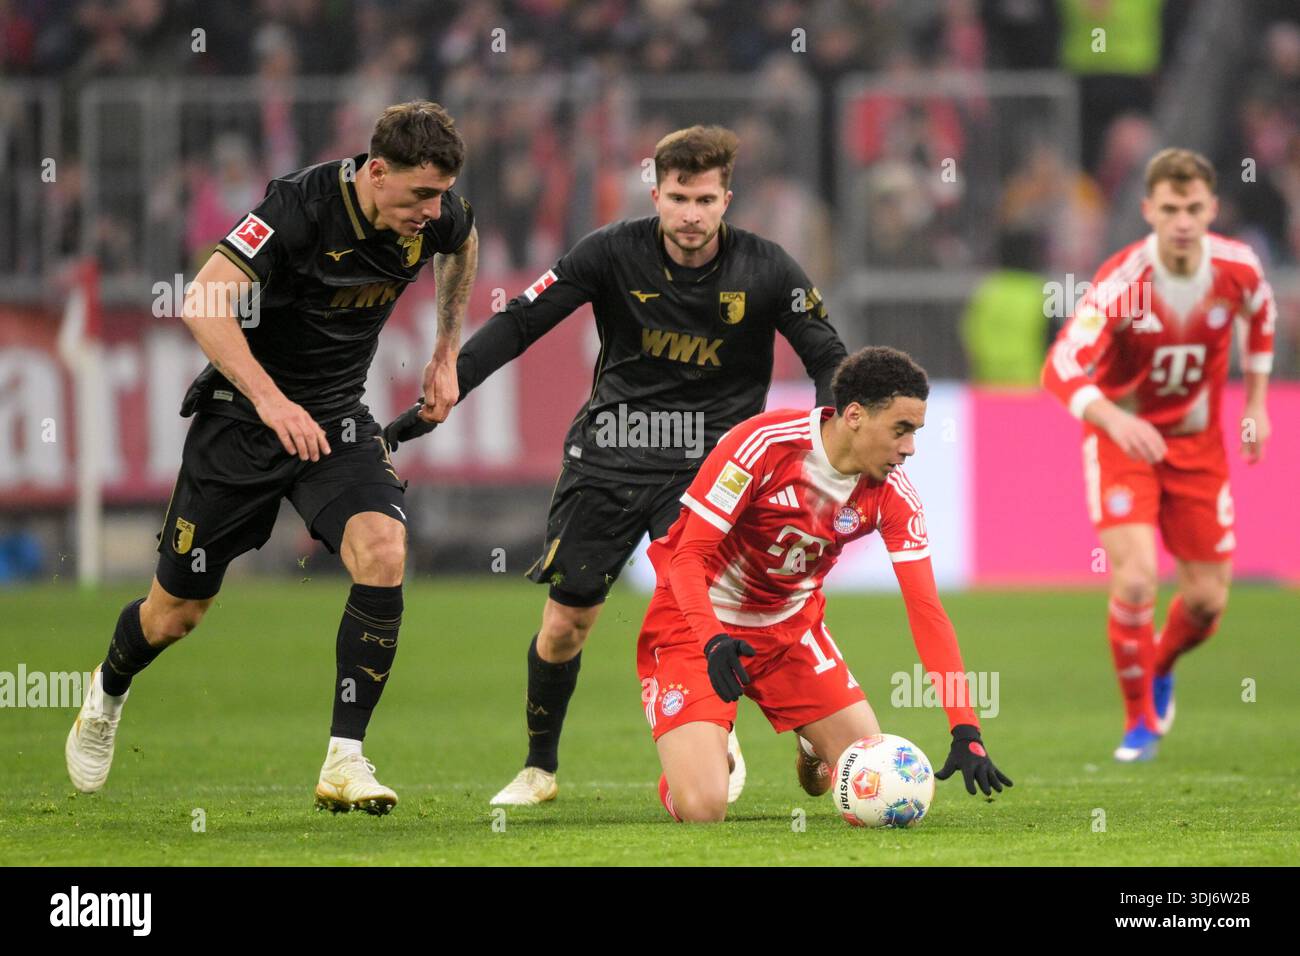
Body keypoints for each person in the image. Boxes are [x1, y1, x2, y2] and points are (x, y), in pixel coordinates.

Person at [385, 125, 848, 806]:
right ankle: (540, 767)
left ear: (728, 199)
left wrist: (827, 443)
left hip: (710, 472)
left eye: (706, 200)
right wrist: (453, 381)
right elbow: (521, 322)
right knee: (566, 625)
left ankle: (718, 731)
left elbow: (828, 355)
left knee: (708, 609)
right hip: (607, 459)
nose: (692, 214)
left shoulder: (768, 268)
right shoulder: (609, 252)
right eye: (679, 198)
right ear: (655, 193)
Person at [65, 101, 479, 814]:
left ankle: (345, 760)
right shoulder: (298, 208)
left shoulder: (434, 213)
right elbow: (203, 302)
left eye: (440, 194)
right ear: (376, 173)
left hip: (336, 422)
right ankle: (106, 690)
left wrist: (445, 350)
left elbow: (462, 244)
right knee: (176, 615)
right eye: (419, 195)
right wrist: (270, 401)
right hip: (243, 423)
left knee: (383, 550)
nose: (433, 210)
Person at [638, 346, 1011, 822]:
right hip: (697, 626)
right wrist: (713, 641)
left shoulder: (893, 495)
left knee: (864, 768)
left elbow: (927, 611)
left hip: (791, 632)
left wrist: (966, 729)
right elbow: (687, 557)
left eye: (915, 431)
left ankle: (809, 746)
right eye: (902, 429)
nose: (910, 447)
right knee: (704, 807)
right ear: (855, 415)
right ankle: (704, 753)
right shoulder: (762, 445)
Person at [1041, 148, 1275, 762]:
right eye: (1169, 208)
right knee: (1139, 578)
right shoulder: (1123, 283)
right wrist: (1113, 417)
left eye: (1194, 207)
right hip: (1126, 445)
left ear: (1212, 208)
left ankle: (1161, 662)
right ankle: (1139, 720)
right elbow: (1060, 365)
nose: (1182, 221)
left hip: (1199, 447)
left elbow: (1263, 314)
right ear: (1148, 209)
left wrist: (1255, 404)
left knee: (1205, 601)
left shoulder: (1239, 268)